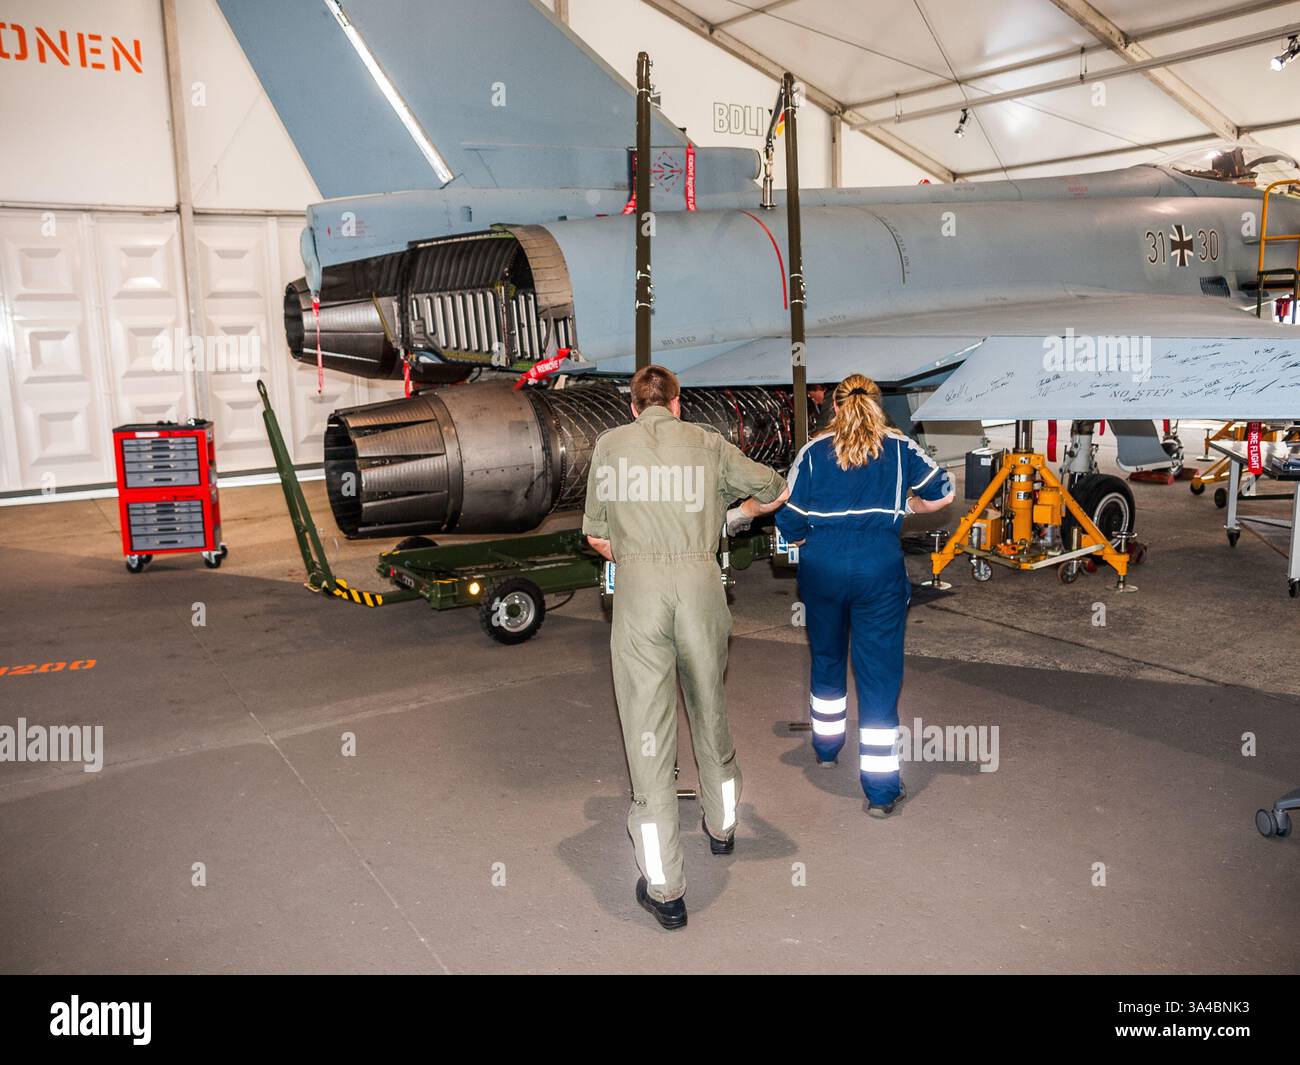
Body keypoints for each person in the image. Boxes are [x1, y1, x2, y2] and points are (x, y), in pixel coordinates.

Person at [583, 365, 790, 930]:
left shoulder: (610, 446)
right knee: (709, 707)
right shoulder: (708, 444)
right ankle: (721, 827)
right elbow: (773, 488)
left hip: (640, 592)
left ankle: (667, 889)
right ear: (676, 404)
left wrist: (634, 549)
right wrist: (731, 517)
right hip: (701, 586)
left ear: (634, 407)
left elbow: (597, 536)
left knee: (647, 732)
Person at [775, 374, 954, 817]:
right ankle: (880, 792)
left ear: (834, 408)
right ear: (879, 406)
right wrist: (903, 507)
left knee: (828, 658)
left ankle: (827, 747)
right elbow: (943, 494)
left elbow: (789, 520)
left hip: (824, 569)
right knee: (878, 678)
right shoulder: (898, 448)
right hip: (879, 569)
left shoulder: (813, 452)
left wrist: (807, 543)